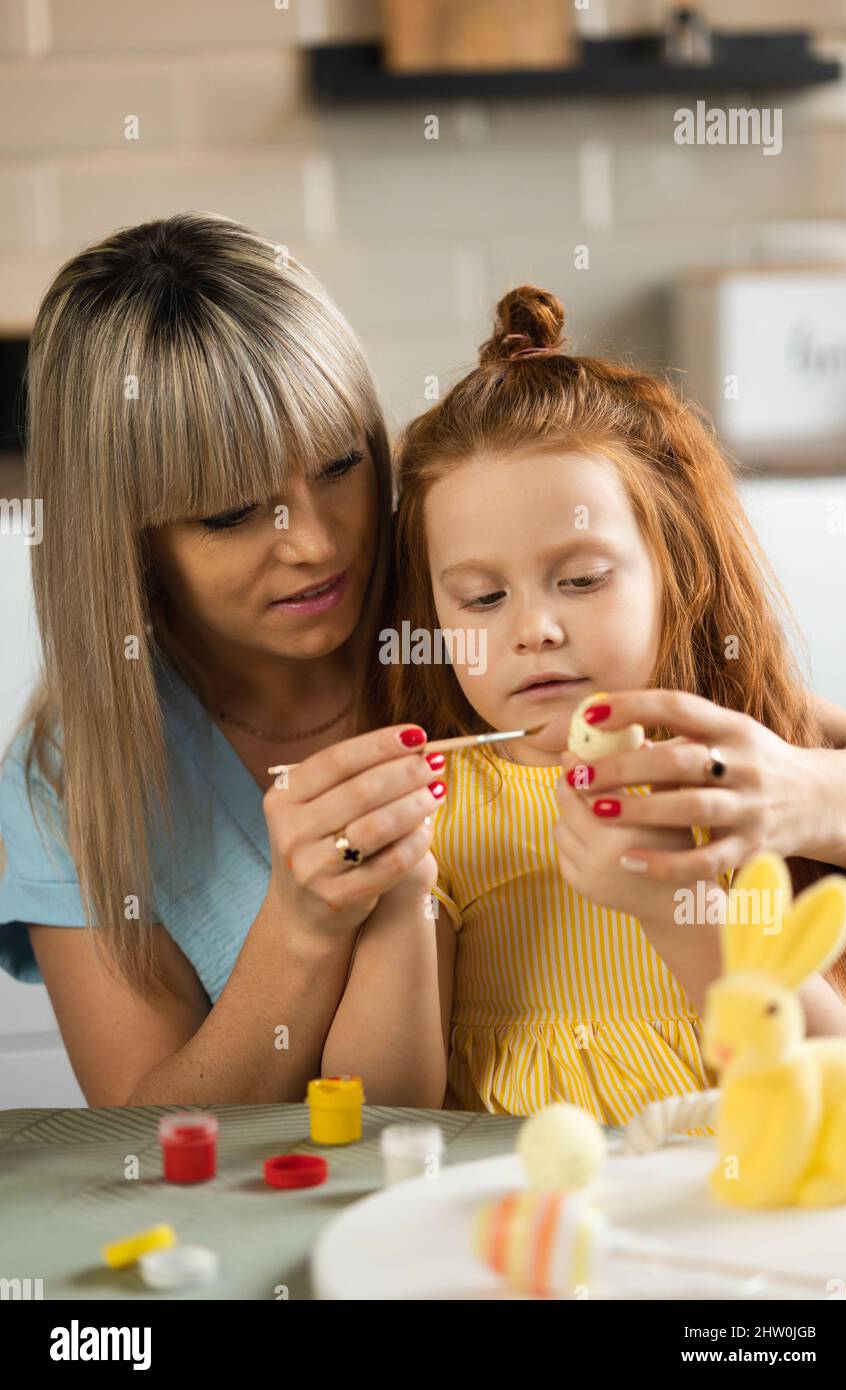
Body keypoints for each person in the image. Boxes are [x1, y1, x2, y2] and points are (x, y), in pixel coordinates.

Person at [319, 284, 846, 1124]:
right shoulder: (443, 810)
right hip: (514, 1194)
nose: (534, 629)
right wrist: (399, 893)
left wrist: (669, 902)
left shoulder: (724, 773)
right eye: (479, 599)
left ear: (674, 571)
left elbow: (828, 1065)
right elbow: (379, 1107)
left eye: (581, 581)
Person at [0, 212, 446, 1108]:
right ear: (124, 538)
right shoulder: (66, 786)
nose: (315, 545)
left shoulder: (484, 615)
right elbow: (147, 1138)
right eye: (232, 514)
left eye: (338, 464)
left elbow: (774, 738)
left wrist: (812, 792)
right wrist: (303, 923)